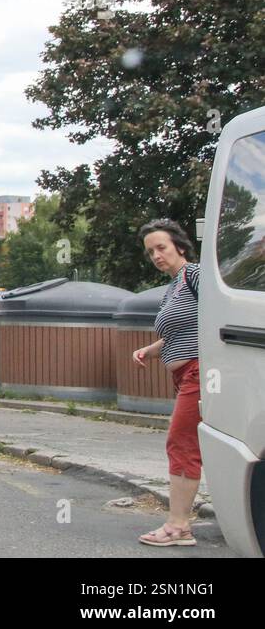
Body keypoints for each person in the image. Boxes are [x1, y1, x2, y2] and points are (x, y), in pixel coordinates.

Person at [133, 218, 202, 547]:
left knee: (181, 443)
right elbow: (177, 332)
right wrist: (151, 349)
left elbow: (216, 315)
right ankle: (181, 524)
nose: (156, 256)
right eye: (150, 253)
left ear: (180, 246)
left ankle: (178, 527)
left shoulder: (196, 276)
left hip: (201, 373)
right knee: (187, 444)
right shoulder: (172, 287)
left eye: (161, 248)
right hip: (184, 375)